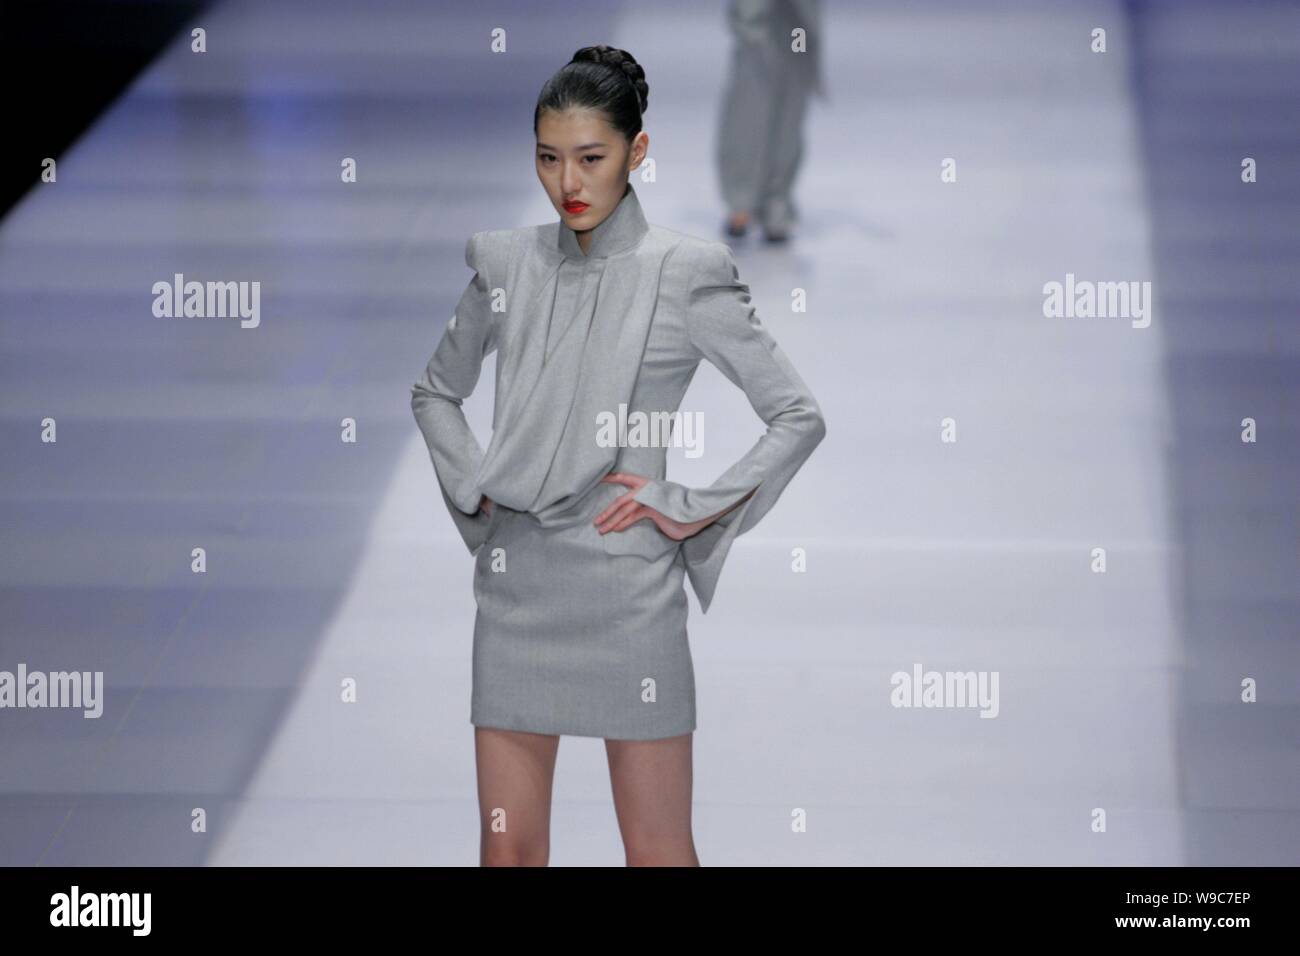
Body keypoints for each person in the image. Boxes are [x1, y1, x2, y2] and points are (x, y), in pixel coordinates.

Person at [410, 44, 826, 866]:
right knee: (509, 855)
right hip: (517, 588)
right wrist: (476, 487)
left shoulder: (686, 273)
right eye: (548, 158)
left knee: (659, 853)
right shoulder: (503, 263)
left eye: (591, 159)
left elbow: (795, 413)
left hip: (628, 594)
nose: (569, 182)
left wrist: (691, 505)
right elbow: (435, 392)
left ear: (637, 153)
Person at [718, 0, 826, 241]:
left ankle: (776, 203)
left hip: (798, 21)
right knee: (749, 106)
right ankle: (741, 202)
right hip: (757, 20)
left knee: (790, 111)